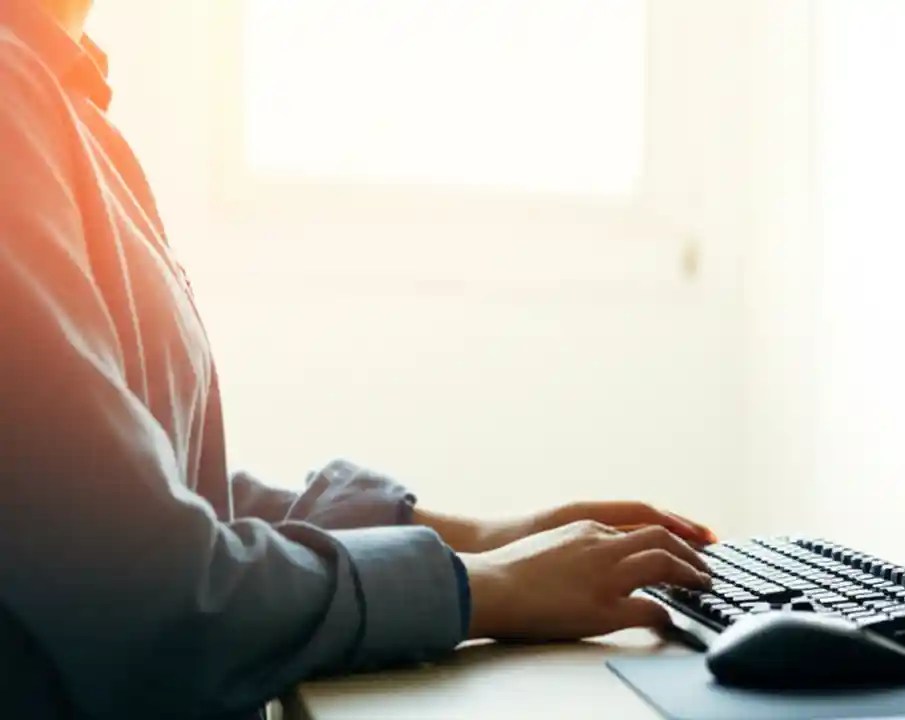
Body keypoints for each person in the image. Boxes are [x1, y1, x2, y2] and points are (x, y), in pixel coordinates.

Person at [0, 1, 717, 717]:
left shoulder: (57, 94)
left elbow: (163, 499)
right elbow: (141, 587)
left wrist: (473, 536)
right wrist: (486, 584)